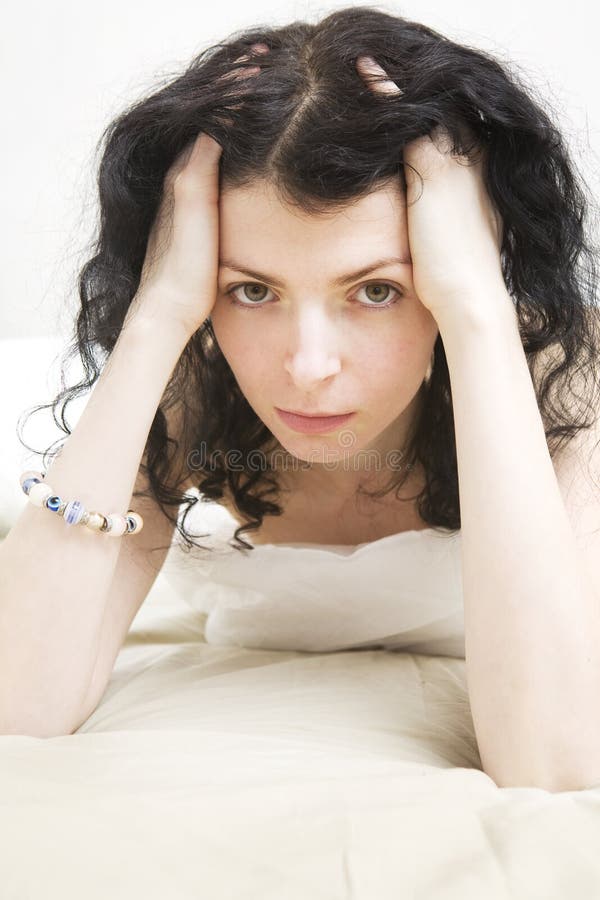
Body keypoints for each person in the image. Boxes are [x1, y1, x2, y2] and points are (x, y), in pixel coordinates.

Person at [1, 6, 599, 758]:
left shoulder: (568, 377)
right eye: (253, 290)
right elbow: (16, 704)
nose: (308, 367)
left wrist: (478, 310)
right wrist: (155, 315)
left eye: (377, 290)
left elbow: (554, 760)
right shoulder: (193, 385)